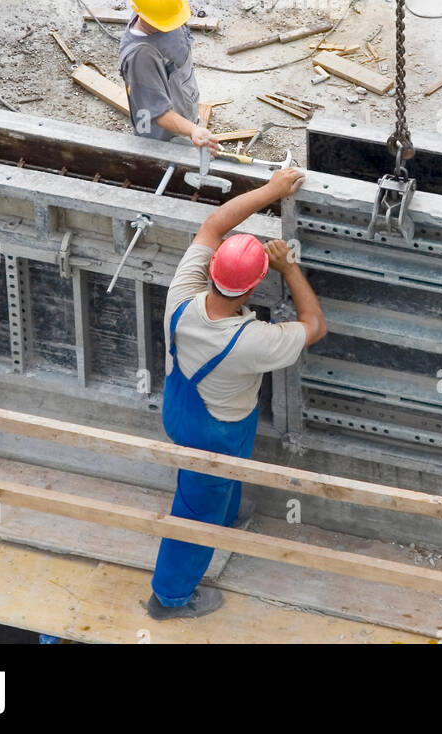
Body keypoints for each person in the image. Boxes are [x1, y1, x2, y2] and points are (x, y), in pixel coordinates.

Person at [146, 165, 326, 620]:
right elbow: (315, 326)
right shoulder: (252, 341)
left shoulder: (182, 295)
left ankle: (223, 514)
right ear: (254, 285)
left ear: (211, 268)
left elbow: (213, 225)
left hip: (182, 411)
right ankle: (169, 598)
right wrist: (290, 267)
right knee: (193, 513)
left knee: (213, 487)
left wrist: (270, 189)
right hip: (217, 434)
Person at [119, 0, 218, 153]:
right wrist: (193, 130)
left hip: (183, 110)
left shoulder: (162, 11)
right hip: (162, 137)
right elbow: (157, 112)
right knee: (169, 167)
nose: (174, 24)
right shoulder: (141, 57)